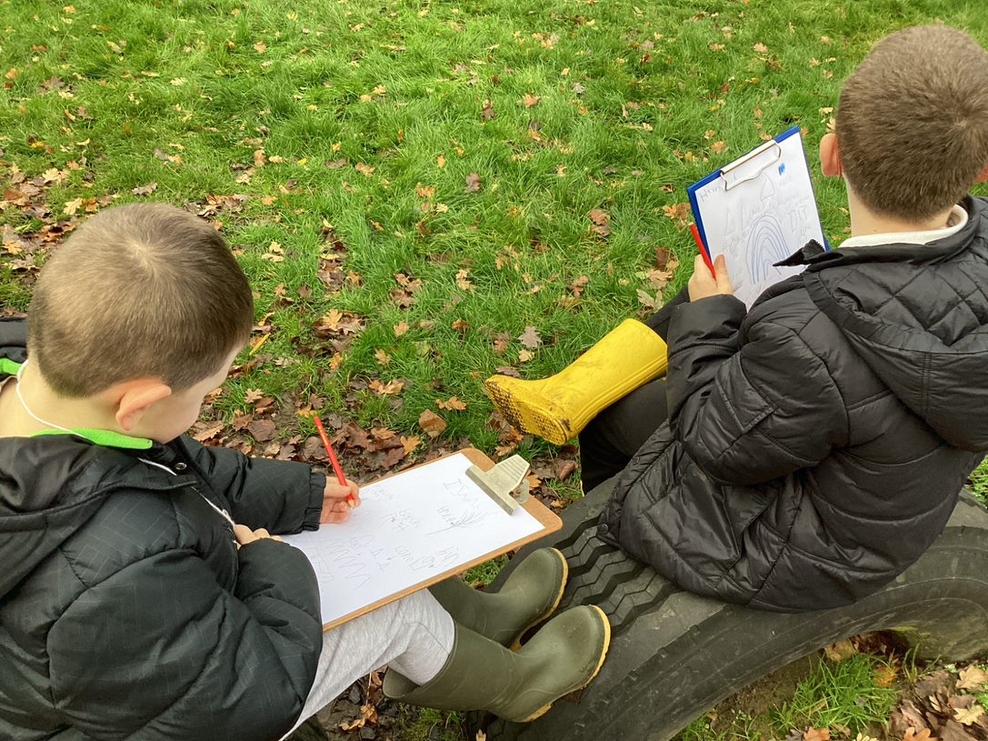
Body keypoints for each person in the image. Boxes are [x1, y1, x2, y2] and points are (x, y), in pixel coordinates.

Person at [0, 203, 610, 741]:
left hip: (152, 640)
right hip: (172, 709)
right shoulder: (103, 577)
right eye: (208, 392)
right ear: (137, 405)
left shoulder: (54, 390)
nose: (206, 405)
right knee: (389, 610)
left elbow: (181, 467)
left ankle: (479, 620)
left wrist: (301, 496)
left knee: (356, 537)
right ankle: (517, 686)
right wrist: (271, 564)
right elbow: (248, 703)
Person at [485, 24, 988, 611]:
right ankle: (571, 390)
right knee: (711, 305)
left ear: (831, 156)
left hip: (806, 546)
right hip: (894, 486)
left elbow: (713, 441)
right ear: (979, 170)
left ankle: (603, 539)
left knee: (614, 419)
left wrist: (709, 319)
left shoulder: (808, 334)